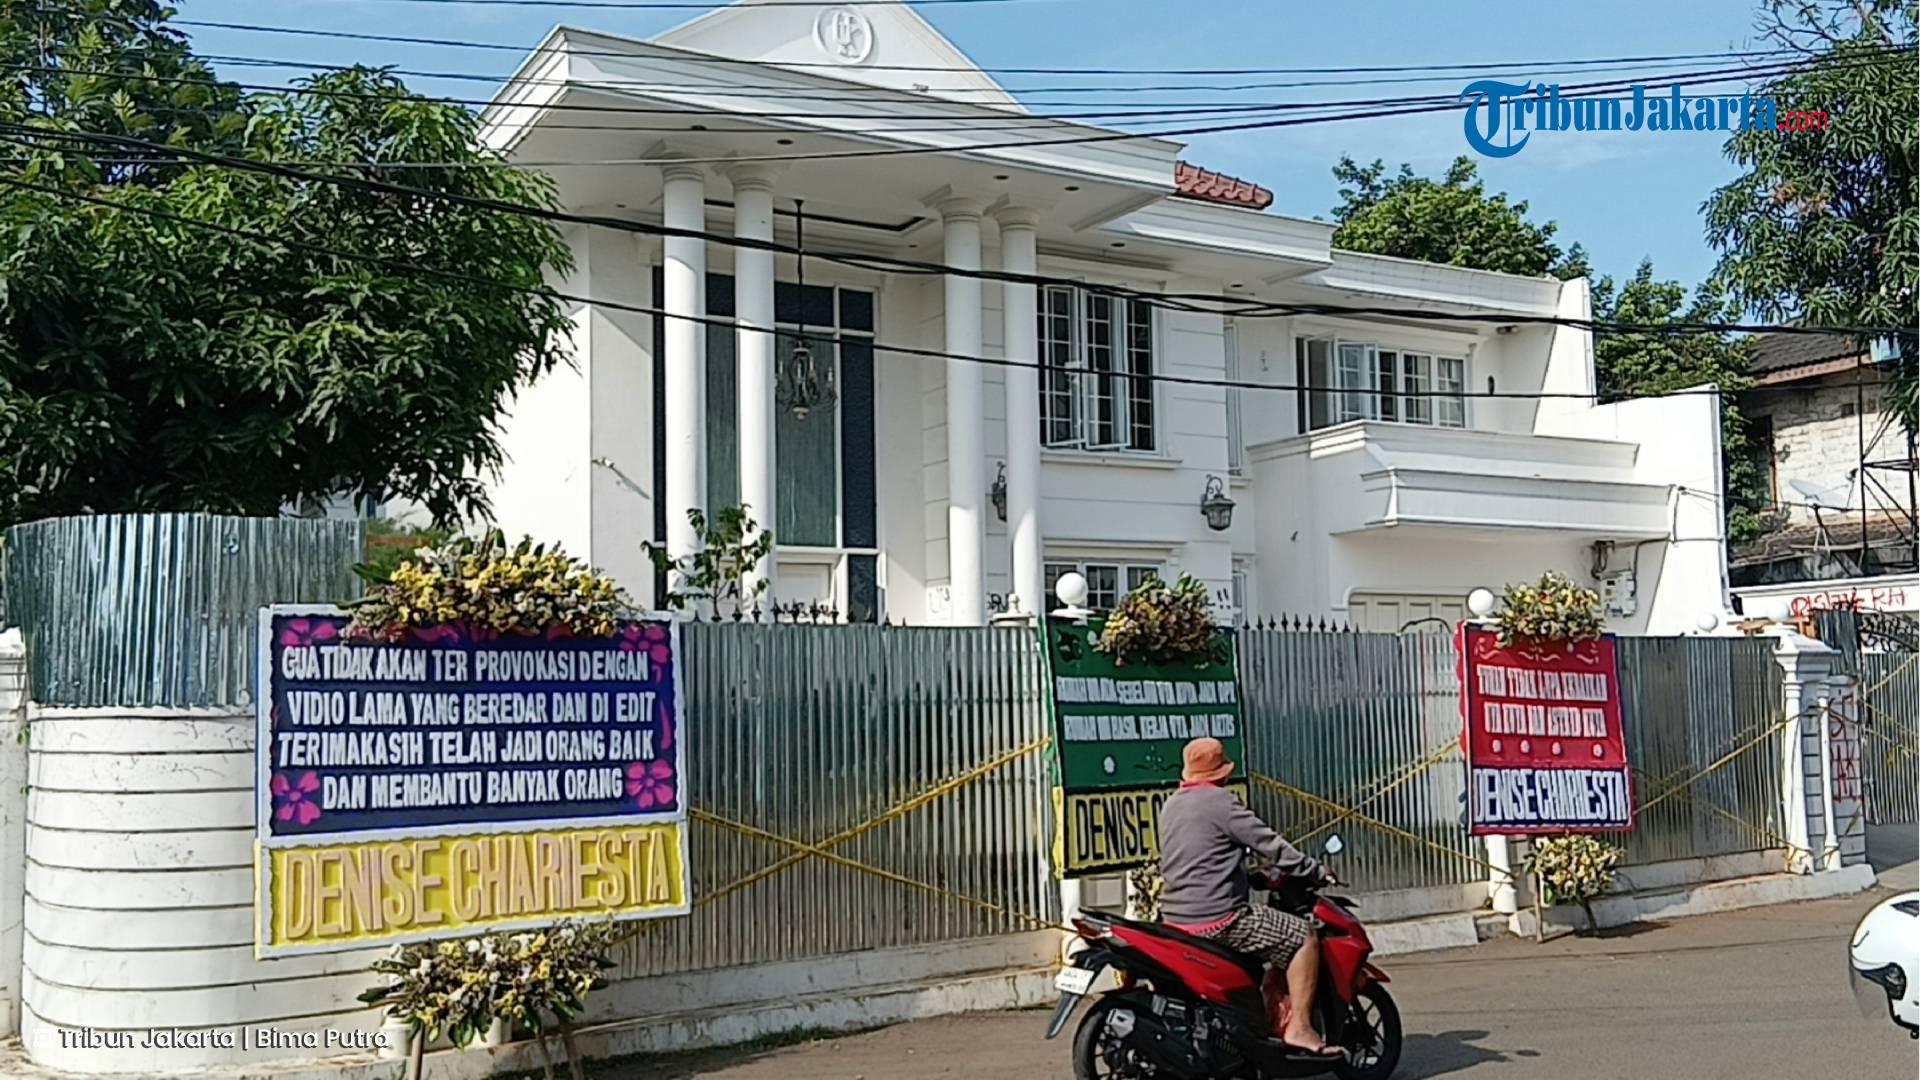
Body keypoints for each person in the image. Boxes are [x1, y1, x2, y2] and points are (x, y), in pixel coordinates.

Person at [1156, 736, 1341, 1057]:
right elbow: (1271, 845)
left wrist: (1252, 877)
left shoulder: (1171, 805)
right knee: (1304, 937)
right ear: (1222, 774)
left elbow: (1202, 861)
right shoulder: (1221, 802)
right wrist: (1314, 870)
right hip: (1219, 920)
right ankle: (1299, 1027)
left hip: (1174, 920)